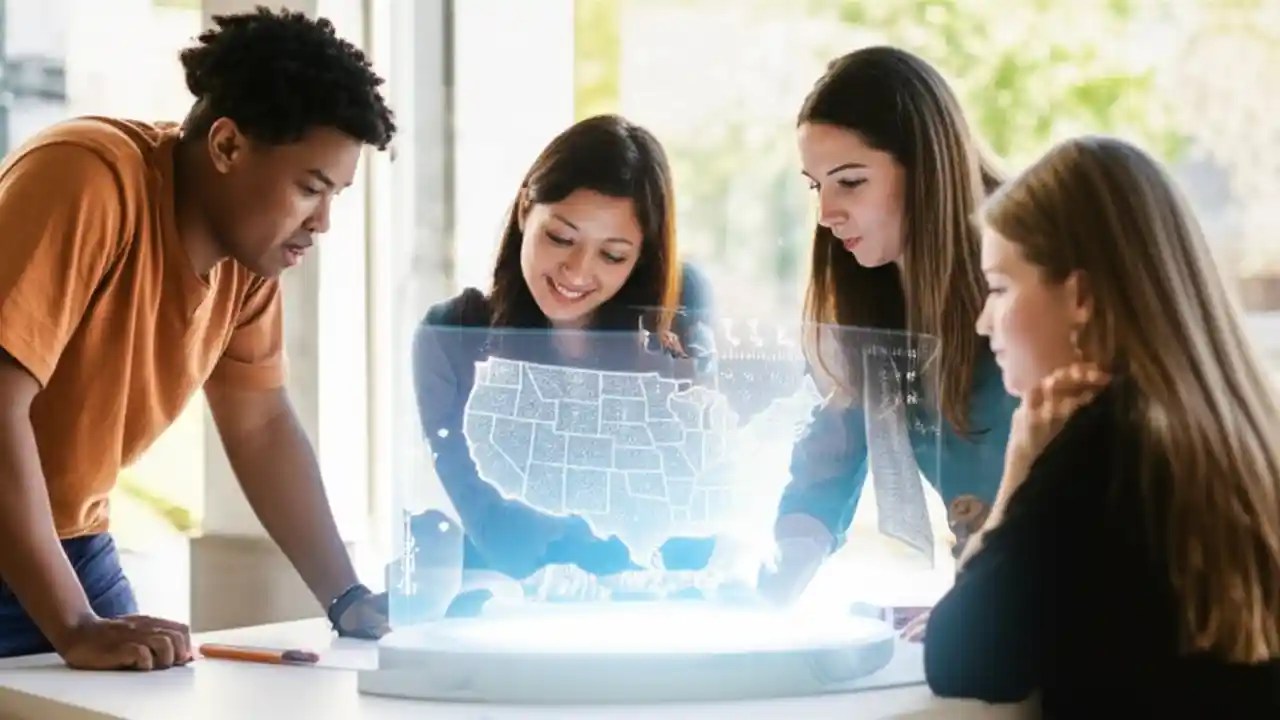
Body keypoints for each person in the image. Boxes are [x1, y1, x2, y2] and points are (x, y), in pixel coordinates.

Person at [0, 8, 396, 667]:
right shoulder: (83, 178)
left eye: (337, 195)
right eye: (309, 187)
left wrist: (348, 598)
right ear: (227, 147)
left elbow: (260, 425)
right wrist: (73, 624)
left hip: (69, 535)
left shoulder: (251, 262)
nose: (322, 222)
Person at [924, 135, 1280, 715]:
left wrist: (1019, 477)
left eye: (999, 288)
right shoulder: (1236, 434)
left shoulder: (1101, 449)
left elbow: (963, 659)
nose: (985, 321)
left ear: (1081, 295)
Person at [408, 114, 715, 607]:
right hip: (514, 604)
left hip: (653, 605)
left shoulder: (674, 313)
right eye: (561, 238)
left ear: (642, 256)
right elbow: (492, 523)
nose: (577, 271)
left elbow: (692, 506)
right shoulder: (453, 335)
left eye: (612, 256)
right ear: (526, 207)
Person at [757, 46, 1017, 607]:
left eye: (850, 182)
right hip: (1003, 603)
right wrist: (766, 596)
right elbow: (825, 466)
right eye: (815, 185)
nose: (826, 213)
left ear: (926, 168)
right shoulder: (875, 296)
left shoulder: (1032, 275)